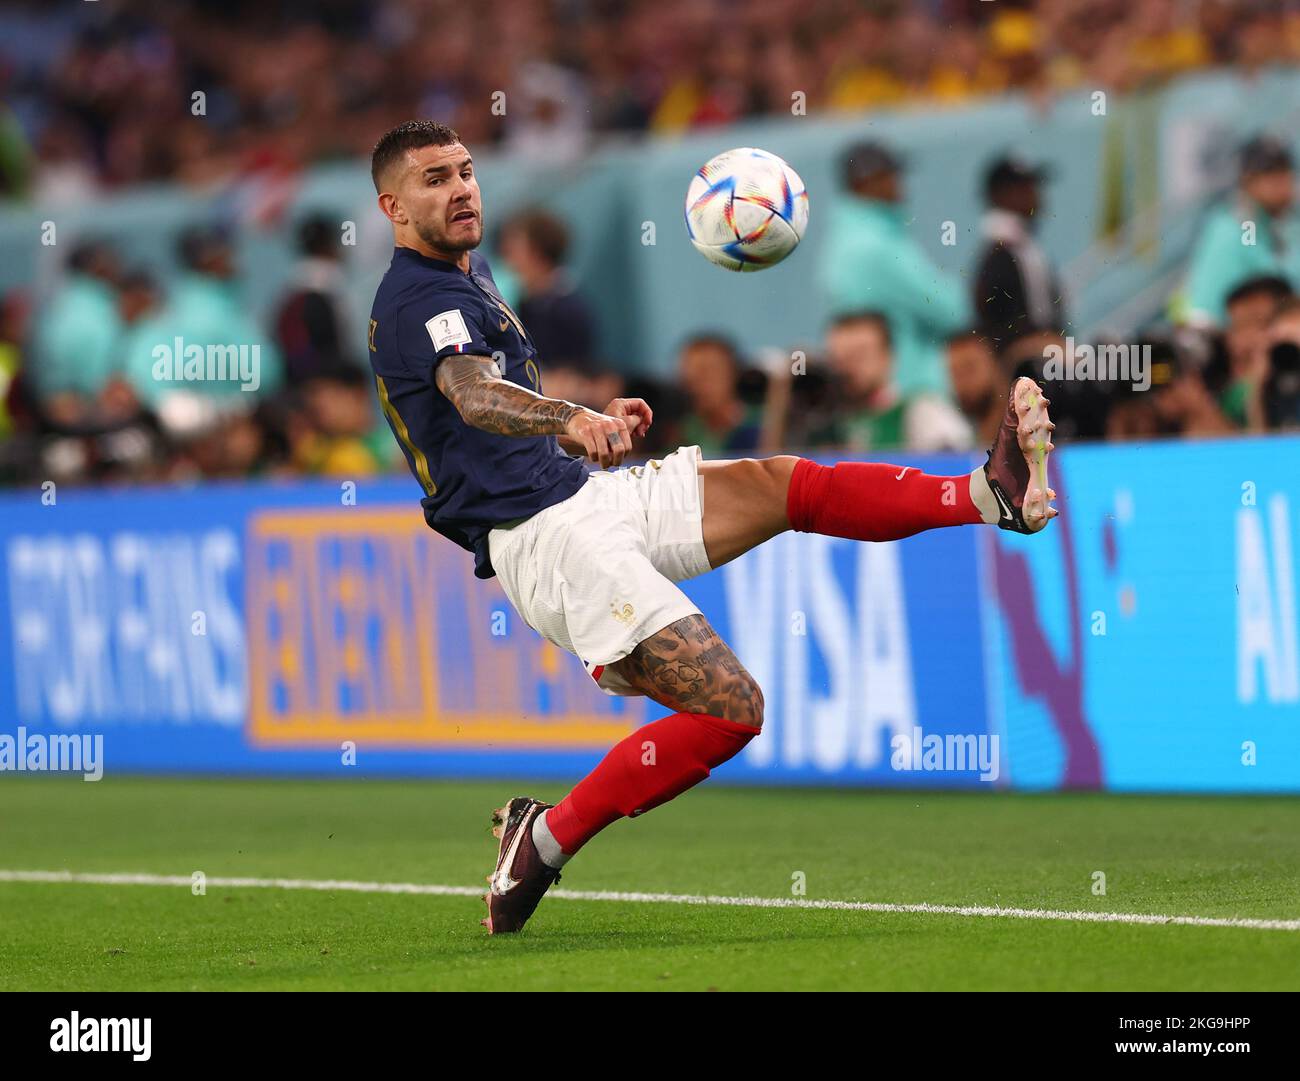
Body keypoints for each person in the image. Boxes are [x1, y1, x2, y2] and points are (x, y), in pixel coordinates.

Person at [365, 120, 1058, 935]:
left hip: (580, 494)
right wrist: (570, 413)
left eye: (467, 170)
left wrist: (577, 425)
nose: (461, 189)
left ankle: (987, 495)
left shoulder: (465, 272)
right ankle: (545, 838)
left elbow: (487, 420)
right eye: (435, 179)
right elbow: (473, 395)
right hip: (546, 540)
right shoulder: (418, 298)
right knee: (733, 708)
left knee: (781, 484)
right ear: (392, 206)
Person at [819, 140, 969, 397]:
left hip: (881, 393)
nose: (898, 182)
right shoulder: (875, 247)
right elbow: (953, 311)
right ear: (866, 181)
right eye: (890, 175)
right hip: (910, 392)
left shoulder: (843, 241)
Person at [813, 312, 973, 452]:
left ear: (888, 357)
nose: (847, 368)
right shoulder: (821, 422)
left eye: (859, 355)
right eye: (838, 358)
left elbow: (957, 468)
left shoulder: (920, 411)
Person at [1184, 135, 1300, 326]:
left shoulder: (1263, 221)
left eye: (1286, 172)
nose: (1284, 184)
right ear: (1248, 182)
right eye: (1272, 175)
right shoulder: (1244, 222)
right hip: (1219, 331)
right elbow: (1264, 269)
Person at [971, 155, 1066, 349]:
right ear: (998, 195)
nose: (1035, 195)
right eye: (1023, 188)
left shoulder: (1024, 248)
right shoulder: (1001, 254)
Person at [676, 334, 763, 455]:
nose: (696, 384)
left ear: (733, 373)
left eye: (706, 372)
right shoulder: (685, 432)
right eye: (689, 374)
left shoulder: (763, 424)